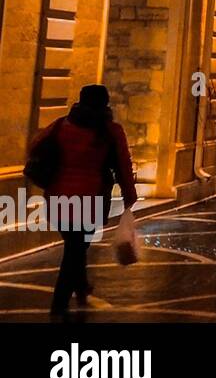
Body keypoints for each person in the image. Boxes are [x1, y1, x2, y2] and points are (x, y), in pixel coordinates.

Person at [27, 85, 137, 315]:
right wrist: (130, 195)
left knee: (75, 245)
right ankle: (60, 302)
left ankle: (81, 286)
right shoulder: (110, 131)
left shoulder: (61, 125)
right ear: (105, 103)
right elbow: (124, 166)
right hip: (90, 198)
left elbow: (35, 145)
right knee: (75, 249)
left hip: (58, 196)